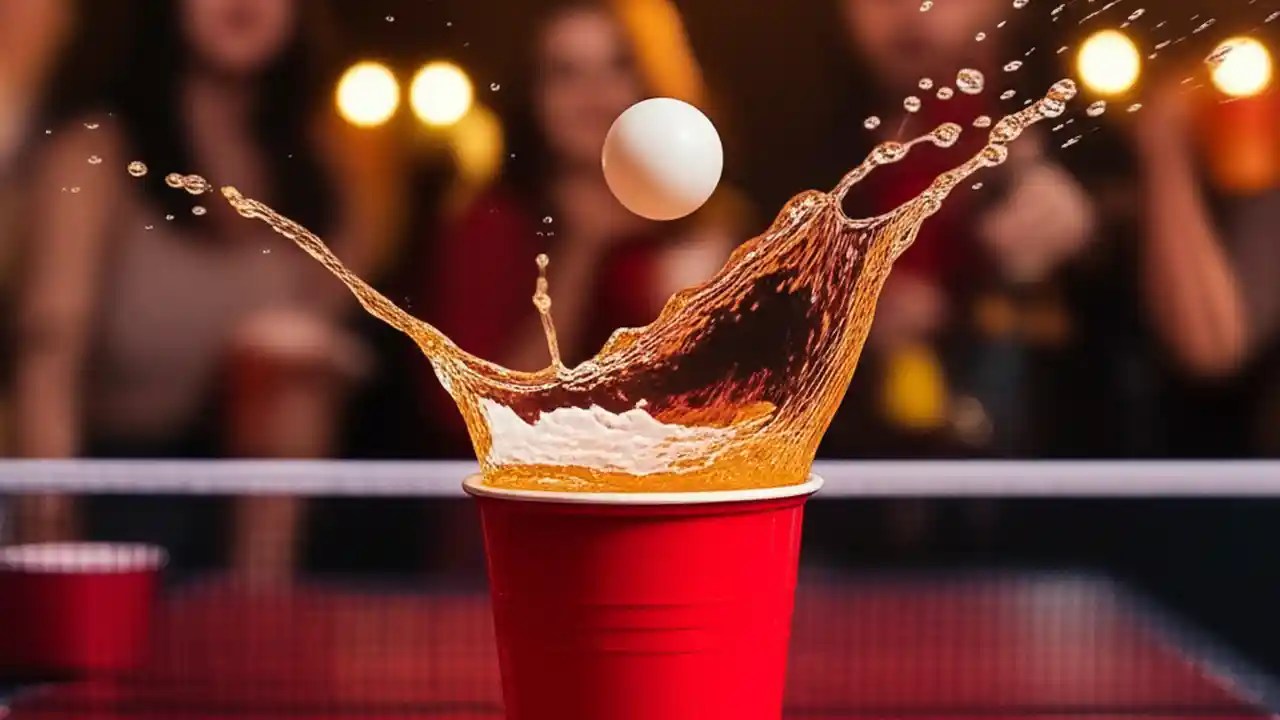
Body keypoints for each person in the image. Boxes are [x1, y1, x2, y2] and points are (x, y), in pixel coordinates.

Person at [12, 0, 401, 578]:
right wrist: (49, 540)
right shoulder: (96, 151)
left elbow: (313, 355)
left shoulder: (326, 165)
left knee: (292, 361)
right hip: (112, 494)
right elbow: (48, 359)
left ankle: (257, 619)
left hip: (266, 517)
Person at [416, 0, 752, 451]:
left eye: (618, 67)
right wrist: (583, 251)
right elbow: (477, 412)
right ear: (534, 94)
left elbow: (739, 411)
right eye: (565, 73)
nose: (592, 95)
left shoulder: (711, 224)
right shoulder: (493, 222)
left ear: (656, 78)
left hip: (668, 487)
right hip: (529, 495)